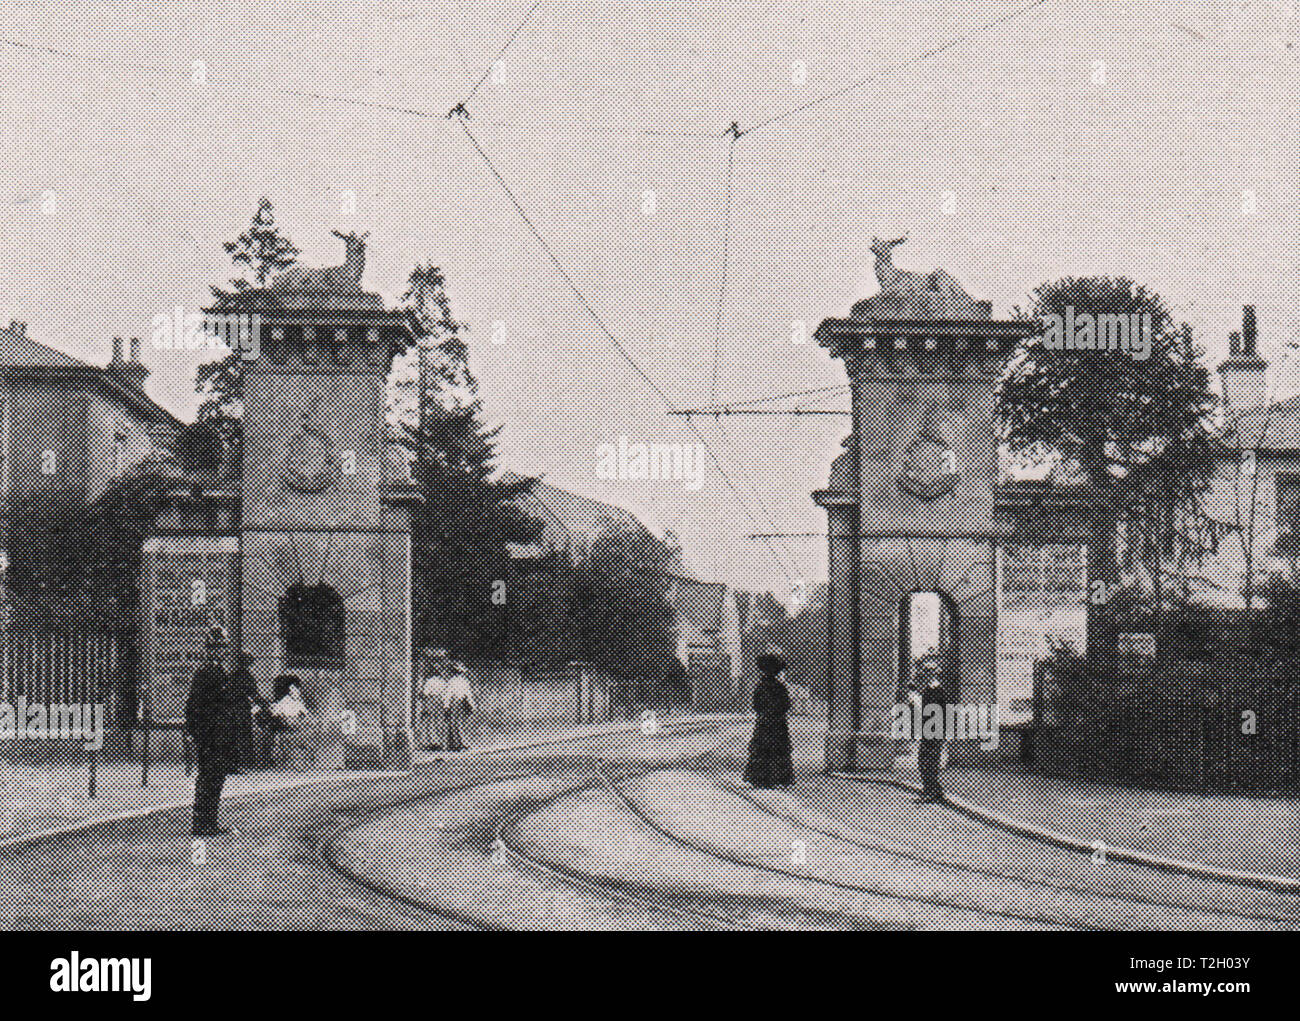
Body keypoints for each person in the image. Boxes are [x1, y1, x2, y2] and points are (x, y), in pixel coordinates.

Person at [185, 627, 241, 836]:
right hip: (210, 736)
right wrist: (197, 733)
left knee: (216, 779)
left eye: (223, 647)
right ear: (210, 650)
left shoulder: (218, 671)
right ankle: (202, 824)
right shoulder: (205, 672)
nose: (222, 651)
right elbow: (194, 705)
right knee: (209, 778)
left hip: (219, 735)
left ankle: (209, 823)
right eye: (217, 648)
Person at [744, 650, 793, 788]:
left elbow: (756, 705)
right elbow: (786, 705)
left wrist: (765, 713)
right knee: (777, 749)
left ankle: (760, 778)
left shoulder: (760, 687)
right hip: (778, 723)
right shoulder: (780, 687)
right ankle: (777, 778)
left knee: (762, 749)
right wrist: (777, 713)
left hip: (764, 722)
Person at [915, 656, 950, 803]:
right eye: (925, 672)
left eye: (929, 672)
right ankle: (932, 790)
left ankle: (932, 791)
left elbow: (946, 712)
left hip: (936, 730)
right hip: (927, 730)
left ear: (935, 673)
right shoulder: (927, 690)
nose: (926, 674)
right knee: (923, 760)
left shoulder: (939, 690)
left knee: (930, 761)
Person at [228, 652, 260, 772]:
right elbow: (253, 693)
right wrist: (261, 703)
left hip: (232, 708)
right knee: (244, 735)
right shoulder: (247, 676)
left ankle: (234, 764)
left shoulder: (233, 675)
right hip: (241, 708)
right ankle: (244, 764)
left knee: (235, 736)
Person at [420, 650, 451, 750]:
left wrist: (423, 701)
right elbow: (445, 693)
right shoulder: (442, 682)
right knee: (439, 721)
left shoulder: (429, 681)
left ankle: (432, 742)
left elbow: (425, 693)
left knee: (430, 722)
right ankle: (440, 742)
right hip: (439, 702)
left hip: (431, 701)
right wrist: (446, 705)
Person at [442, 663, 475, 752]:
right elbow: (449, 694)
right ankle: (457, 743)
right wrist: (447, 705)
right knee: (457, 723)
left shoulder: (456, 681)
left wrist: (446, 705)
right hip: (457, 702)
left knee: (456, 723)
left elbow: (467, 694)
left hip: (459, 702)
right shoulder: (456, 681)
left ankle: (458, 743)